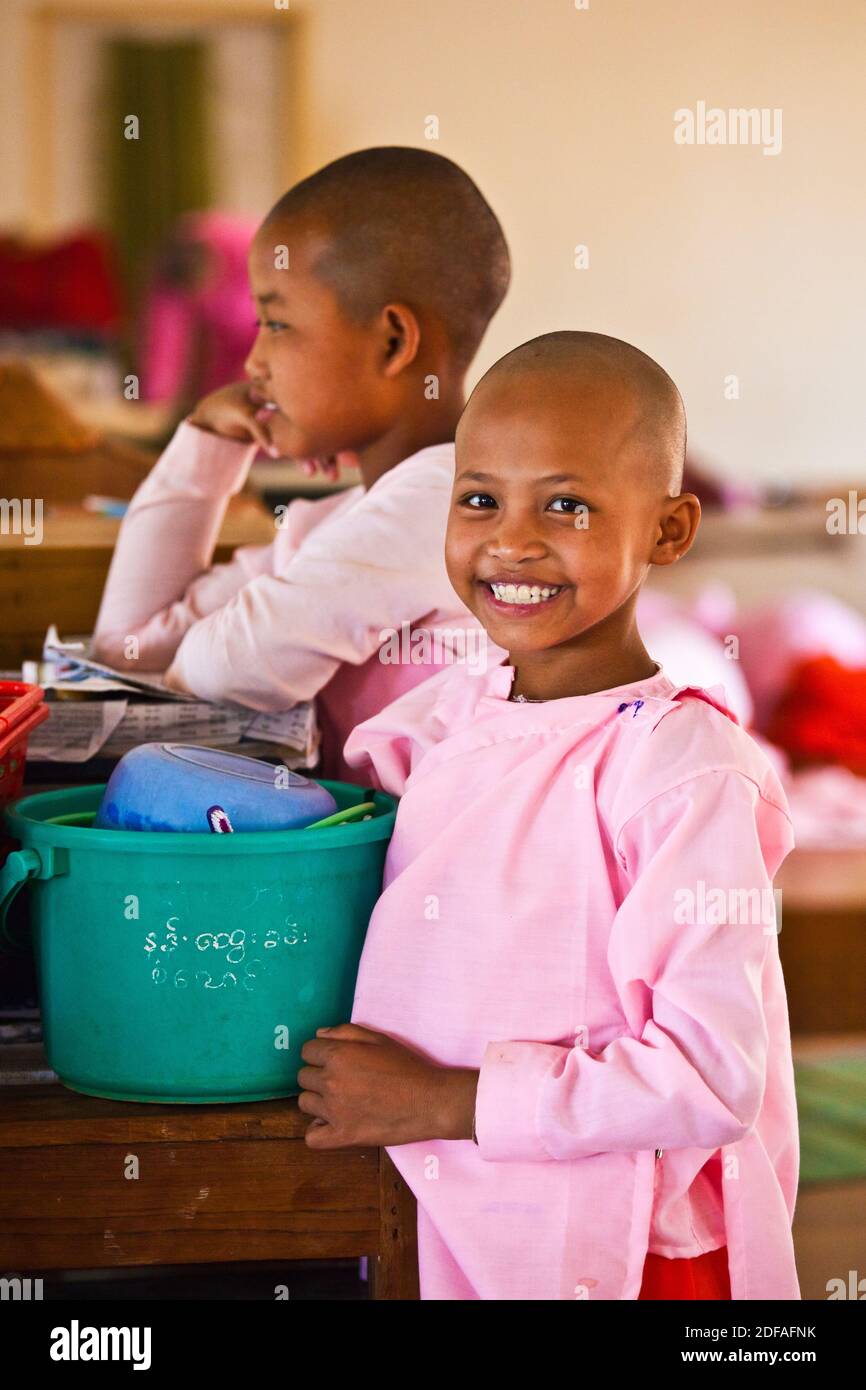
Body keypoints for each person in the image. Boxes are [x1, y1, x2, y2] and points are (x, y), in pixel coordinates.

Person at [296, 331, 801, 1301]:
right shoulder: (457, 710)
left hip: (626, 1250)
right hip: (466, 1200)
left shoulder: (678, 769)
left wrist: (445, 1099)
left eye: (565, 504)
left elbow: (707, 1076)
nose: (511, 541)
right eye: (479, 498)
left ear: (668, 529)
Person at [91, 148, 510, 777]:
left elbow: (228, 665)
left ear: (393, 341)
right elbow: (128, 644)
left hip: (435, 866)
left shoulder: (446, 502)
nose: (253, 361)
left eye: (278, 324)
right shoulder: (343, 519)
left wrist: (210, 647)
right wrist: (206, 443)